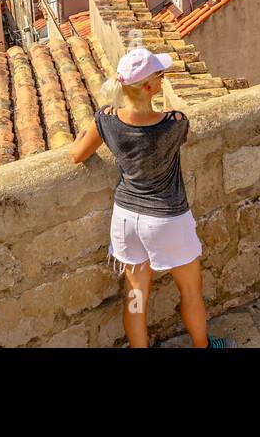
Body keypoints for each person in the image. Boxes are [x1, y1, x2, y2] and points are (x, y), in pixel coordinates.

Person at [69, 47, 227, 348]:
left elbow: (77, 155)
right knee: (191, 292)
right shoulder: (175, 122)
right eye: (160, 76)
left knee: (136, 297)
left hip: (126, 218)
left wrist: (79, 138)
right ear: (149, 87)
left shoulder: (105, 118)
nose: (163, 79)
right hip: (167, 218)